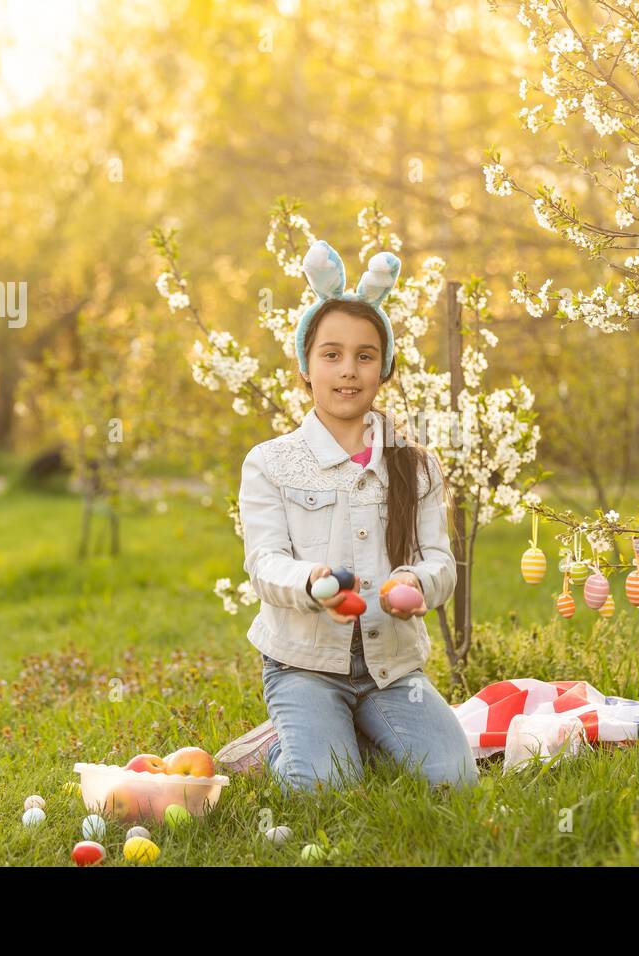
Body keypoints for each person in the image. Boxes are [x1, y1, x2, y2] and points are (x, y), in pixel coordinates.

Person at [214, 239, 478, 796]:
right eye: (330, 354)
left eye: (364, 355)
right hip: (303, 666)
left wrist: (416, 582)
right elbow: (265, 564)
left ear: (384, 367)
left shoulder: (417, 464)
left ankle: (351, 735)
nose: (348, 370)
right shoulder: (271, 463)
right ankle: (278, 745)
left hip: (392, 671)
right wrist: (312, 582)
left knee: (453, 779)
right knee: (323, 792)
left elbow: (439, 563)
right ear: (305, 367)